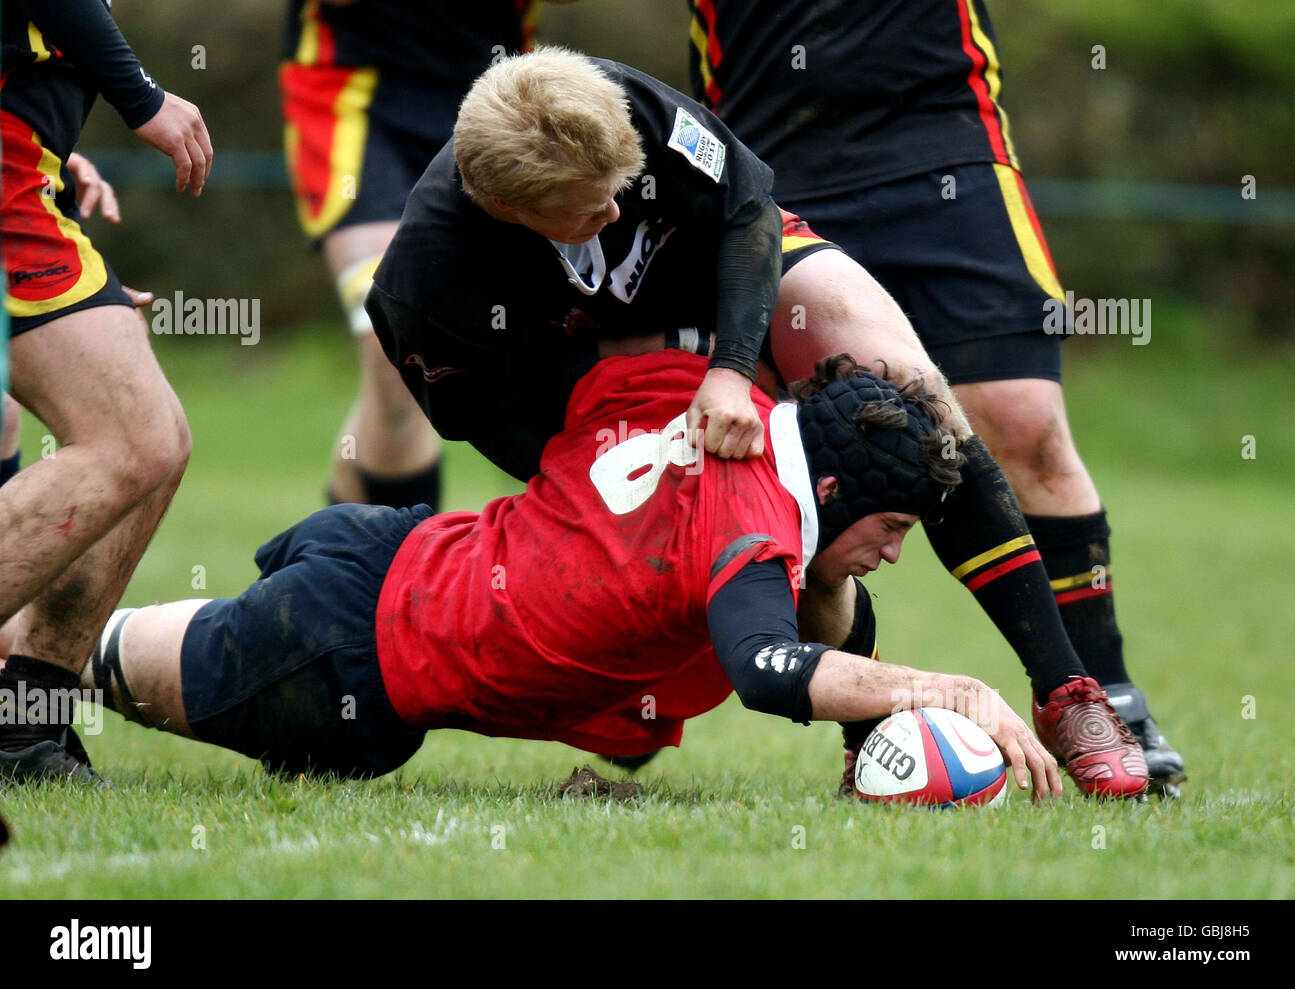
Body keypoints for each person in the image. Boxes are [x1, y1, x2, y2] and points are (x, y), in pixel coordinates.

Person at [366, 48, 1146, 797]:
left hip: (721, 275)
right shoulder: (426, 288)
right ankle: (873, 731)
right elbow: (486, 417)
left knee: (909, 379)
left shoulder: (616, 106)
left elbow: (748, 209)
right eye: (589, 205)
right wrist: (634, 484)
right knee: (723, 558)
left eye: (621, 187)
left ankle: (1065, 687)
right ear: (509, 209)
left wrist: (733, 368)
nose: (615, 206)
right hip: (599, 372)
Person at [78, 351, 1061, 803]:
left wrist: (868, 732)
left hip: (397, 548)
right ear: (836, 485)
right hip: (348, 657)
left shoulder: (698, 387)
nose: (894, 549)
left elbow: (816, 603)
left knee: (88, 637)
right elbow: (766, 665)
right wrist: (949, 687)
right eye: (890, 526)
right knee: (81, 661)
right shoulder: (752, 523)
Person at [684, 0, 1185, 796]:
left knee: (1022, 416)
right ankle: (879, 725)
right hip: (763, 151)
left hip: (940, 133)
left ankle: (1089, 691)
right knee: (802, 462)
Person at [0, 0, 212, 783]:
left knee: (153, 442)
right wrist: (144, 98)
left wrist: (63, 147)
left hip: (30, 169)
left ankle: (26, 720)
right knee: (137, 437)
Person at [281, 0, 563, 508]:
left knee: (425, 369)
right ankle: (395, 572)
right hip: (353, 98)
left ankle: (335, 560)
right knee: (395, 348)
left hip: (500, 101)